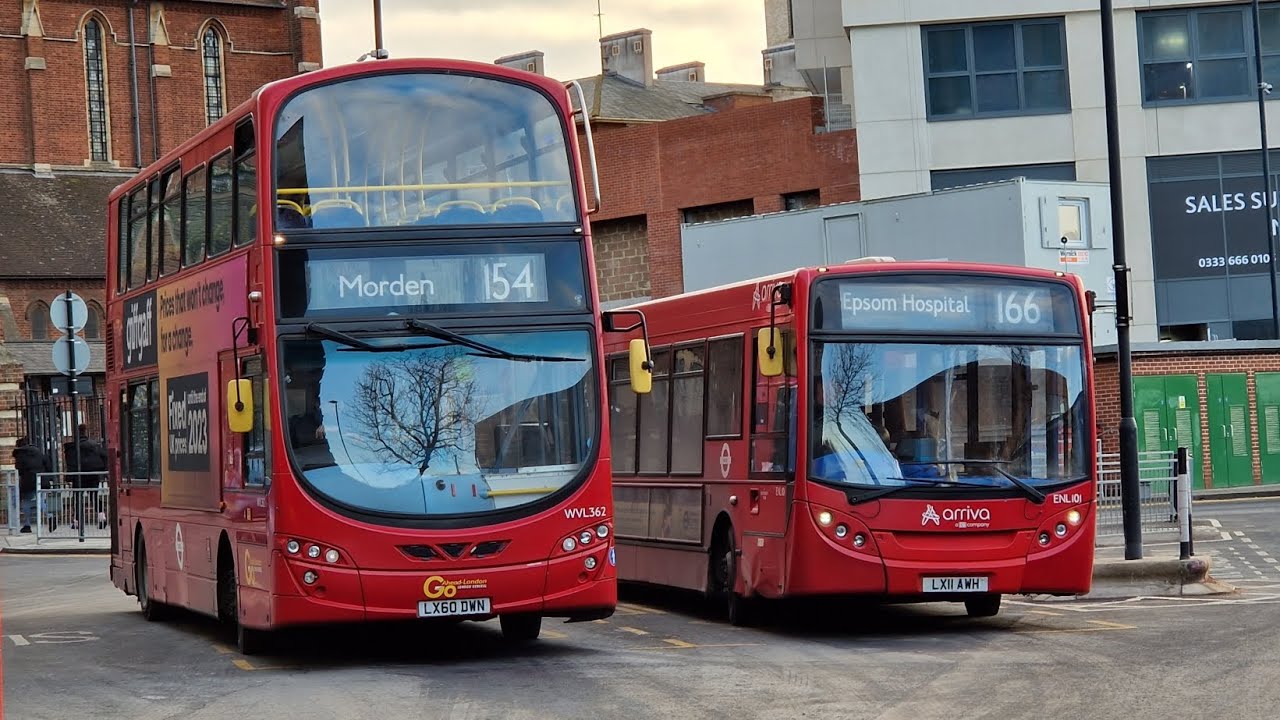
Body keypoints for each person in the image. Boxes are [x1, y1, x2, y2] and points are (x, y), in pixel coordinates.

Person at [12, 436, 49, 533]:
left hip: (28, 481)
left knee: (26, 503)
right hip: (41, 479)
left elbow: (18, 469)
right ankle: (50, 516)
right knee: (40, 500)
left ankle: (27, 525)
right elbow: (47, 463)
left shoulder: (20, 454)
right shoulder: (38, 451)